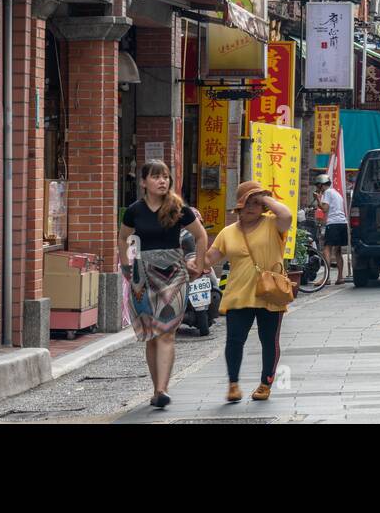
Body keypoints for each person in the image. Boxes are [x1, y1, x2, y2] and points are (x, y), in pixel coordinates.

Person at [117, 160, 209, 409]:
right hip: (142, 276)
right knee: (151, 334)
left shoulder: (179, 208)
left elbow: (201, 236)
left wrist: (199, 266)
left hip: (174, 274)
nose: (162, 181)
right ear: (143, 182)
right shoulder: (134, 210)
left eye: (166, 177)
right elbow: (123, 237)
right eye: (156, 177)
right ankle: (156, 387)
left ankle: (162, 389)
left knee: (167, 332)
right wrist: (126, 267)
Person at [203, 180, 293, 403]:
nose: (252, 207)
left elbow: (287, 215)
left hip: (270, 293)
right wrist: (194, 260)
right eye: (248, 202)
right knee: (234, 340)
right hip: (238, 294)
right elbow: (210, 258)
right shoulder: (227, 232)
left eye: (257, 202)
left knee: (268, 340)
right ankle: (233, 384)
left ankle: (265, 383)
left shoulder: (273, 224)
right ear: (239, 206)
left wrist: (264, 197)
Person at [313, 172, 349, 284]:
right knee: (337, 251)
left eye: (318, 186)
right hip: (342, 223)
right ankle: (340, 277)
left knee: (327, 249)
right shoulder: (336, 193)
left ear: (321, 185)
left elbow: (325, 209)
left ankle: (326, 278)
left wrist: (318, 199)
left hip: (333, 224)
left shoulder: (327, 192)